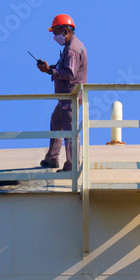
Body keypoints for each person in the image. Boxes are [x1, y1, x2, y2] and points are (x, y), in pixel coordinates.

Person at [37, 14, 87, 172]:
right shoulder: (70, 46)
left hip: (70, 97)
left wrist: (50, 71)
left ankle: (72, 165)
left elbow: (69, 73)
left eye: (56, 32)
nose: (54, 36)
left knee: (70, 131)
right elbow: (63, 68)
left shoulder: (72, 49)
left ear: (66, 31)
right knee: (56, 122)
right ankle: (52, 158)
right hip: (65, 98)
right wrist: (49, 69)